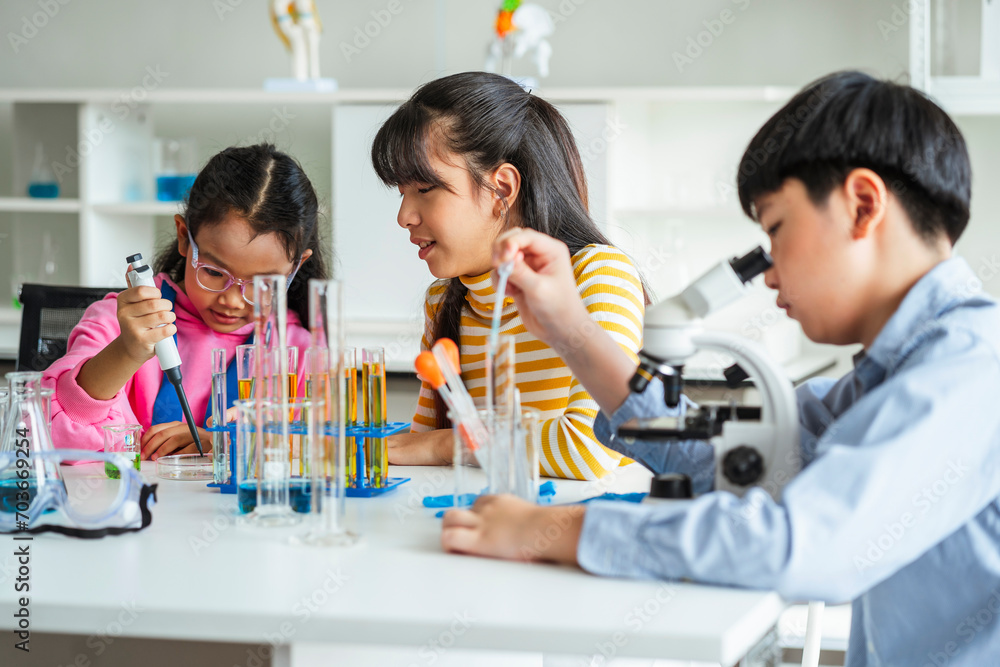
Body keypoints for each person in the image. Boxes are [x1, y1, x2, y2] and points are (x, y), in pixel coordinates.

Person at [441, 71, 1000, 665]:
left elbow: (802, 547)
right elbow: (728, 453)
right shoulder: (889, 375)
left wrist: (556, 532)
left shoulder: (971, 369)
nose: (772, 274)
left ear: (862, 205)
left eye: (776, 231)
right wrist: (570, 328)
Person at [371, 71, 648, 480]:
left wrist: (446, 444)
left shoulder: (597, 274)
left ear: (502, 188)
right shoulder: (445, 301)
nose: (404, 216)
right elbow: (418, 452)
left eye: (425, 189)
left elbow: (589, 448)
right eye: (402, 193)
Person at [45, 144, 328, 460]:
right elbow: (40, 438)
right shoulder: (117, 323)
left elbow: (321, 451)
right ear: (183, 236)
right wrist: (126, 351)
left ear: (296, 267)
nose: (233, 300)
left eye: (262, 284)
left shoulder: (302, 352)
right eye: (213, 271)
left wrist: (221, 443)